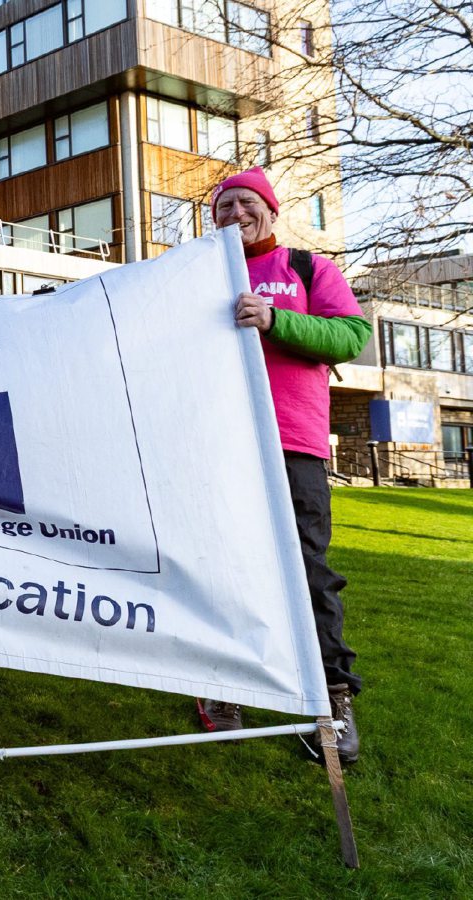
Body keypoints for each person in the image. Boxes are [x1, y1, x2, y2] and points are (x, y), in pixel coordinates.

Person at [197, 167, 371, 764]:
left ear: (269, 210)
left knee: (306, 569)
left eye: (247, 202)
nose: (235, 213)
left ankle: (334, 701)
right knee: (218, 565)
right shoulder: (198, 273)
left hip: (292, 442)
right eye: (224, 206)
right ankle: (224, 686)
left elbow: (350, 337)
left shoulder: (306, 269)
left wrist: (277, 321)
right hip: (217, 440)